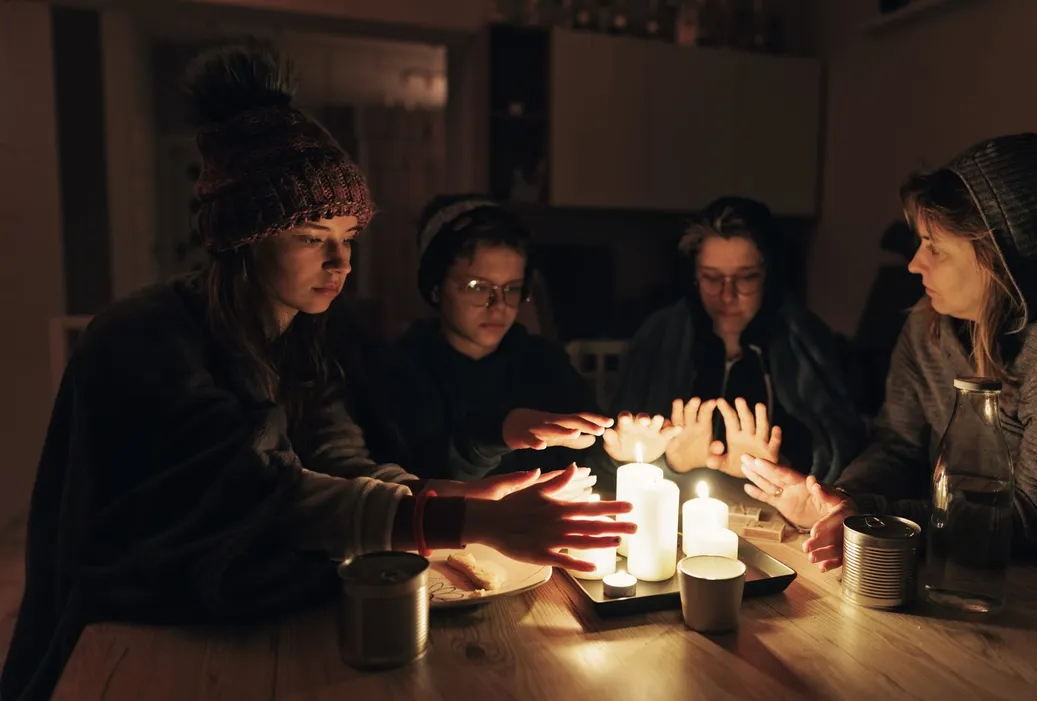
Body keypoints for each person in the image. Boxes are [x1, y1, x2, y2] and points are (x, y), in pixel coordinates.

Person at [1, 45, 632, 701]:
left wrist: (455, 498)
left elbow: (339, 459)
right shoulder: (149, 337)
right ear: (243, 239)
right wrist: (462, 522)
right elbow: (264, 496)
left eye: (349, 236)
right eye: (311, 235)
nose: (341, 261)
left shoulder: (302, 334)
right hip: (131, 630)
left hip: (235, 615)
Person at [740, 134, 1037, 571]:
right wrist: (841, 500)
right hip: (964, 563)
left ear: (1000, 260)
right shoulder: (929, 321)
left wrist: (876, 518)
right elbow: (898, 444)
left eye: (935, 248)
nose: (914, 263)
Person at [337, 196, 615, 482]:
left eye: (511, 289)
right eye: (478, 287)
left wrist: (618, 454)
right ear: (436, 288)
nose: (499, 305)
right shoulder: (399, 369)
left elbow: (595, 461)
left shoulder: (546, 363)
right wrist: (497, 435)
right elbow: (415, 480)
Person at [604, 196, 864, 482]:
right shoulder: (660, 336)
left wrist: (779, 467)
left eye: (746, 278)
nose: (727, 296)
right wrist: (663, 462)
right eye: (712, 278)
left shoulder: (806, 341)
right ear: (694, 276)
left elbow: (839, 454)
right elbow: (615, 453)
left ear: (768, 276)